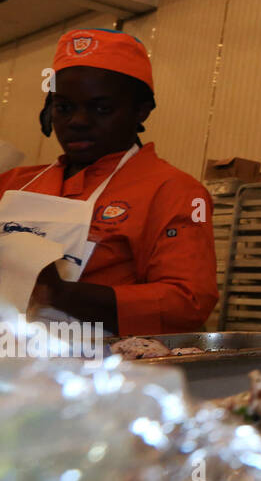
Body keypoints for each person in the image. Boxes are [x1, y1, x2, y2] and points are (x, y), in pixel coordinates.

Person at [0, 28, 218, 334]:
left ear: (139, 111)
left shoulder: (174, 191)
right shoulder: (14, 183)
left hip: (99, 370)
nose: (77, 121)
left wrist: (59, 294)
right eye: (64, 108)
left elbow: (188, 303)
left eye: (101, 108)